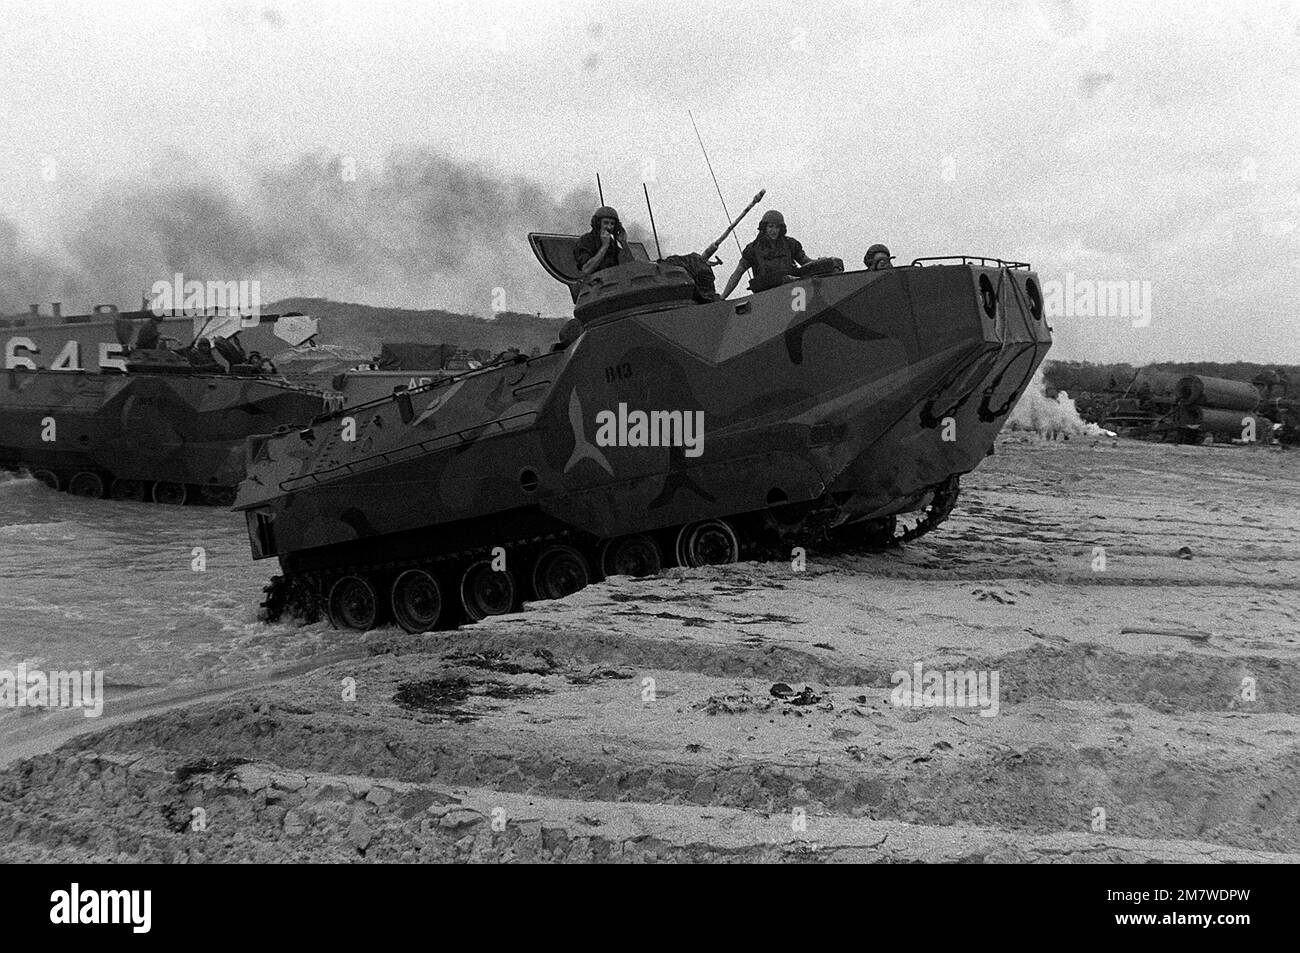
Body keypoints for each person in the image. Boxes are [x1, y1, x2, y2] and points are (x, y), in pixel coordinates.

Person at [720, 210, 812, 297]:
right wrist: (723, 296)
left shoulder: (791, 244)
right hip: (766, 296)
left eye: (777, 227)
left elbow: (806, 263)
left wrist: (821, 263)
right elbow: (738, 272)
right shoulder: (753, 249)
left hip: (792, 292)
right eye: (771, 226)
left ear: (781, 229)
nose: (774, 230)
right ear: (764, 227)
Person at [574, 206, 634, 278]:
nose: (609, 227)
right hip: (593, 285)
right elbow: (586, 269)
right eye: (606, 223)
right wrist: (604, 246)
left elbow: (631, 268)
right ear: (598, 224)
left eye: (612, 224)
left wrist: (623, 243)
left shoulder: (612, 243)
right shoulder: (586, 240)